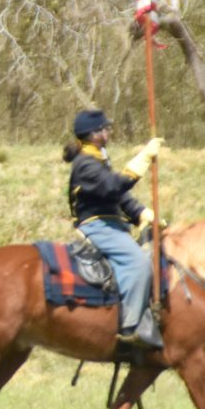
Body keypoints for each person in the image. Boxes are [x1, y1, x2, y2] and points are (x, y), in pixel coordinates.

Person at [64, 109, 164, 348]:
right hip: (98, 226)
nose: (109, 131)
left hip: (112, 223)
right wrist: (141, 161)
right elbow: (112, 186)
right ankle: (131, 328)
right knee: (138, 263)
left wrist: (141, 214)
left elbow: (118, 196)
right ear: (94, 134)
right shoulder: (85, 164)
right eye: (105, 128)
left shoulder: (98, 158)